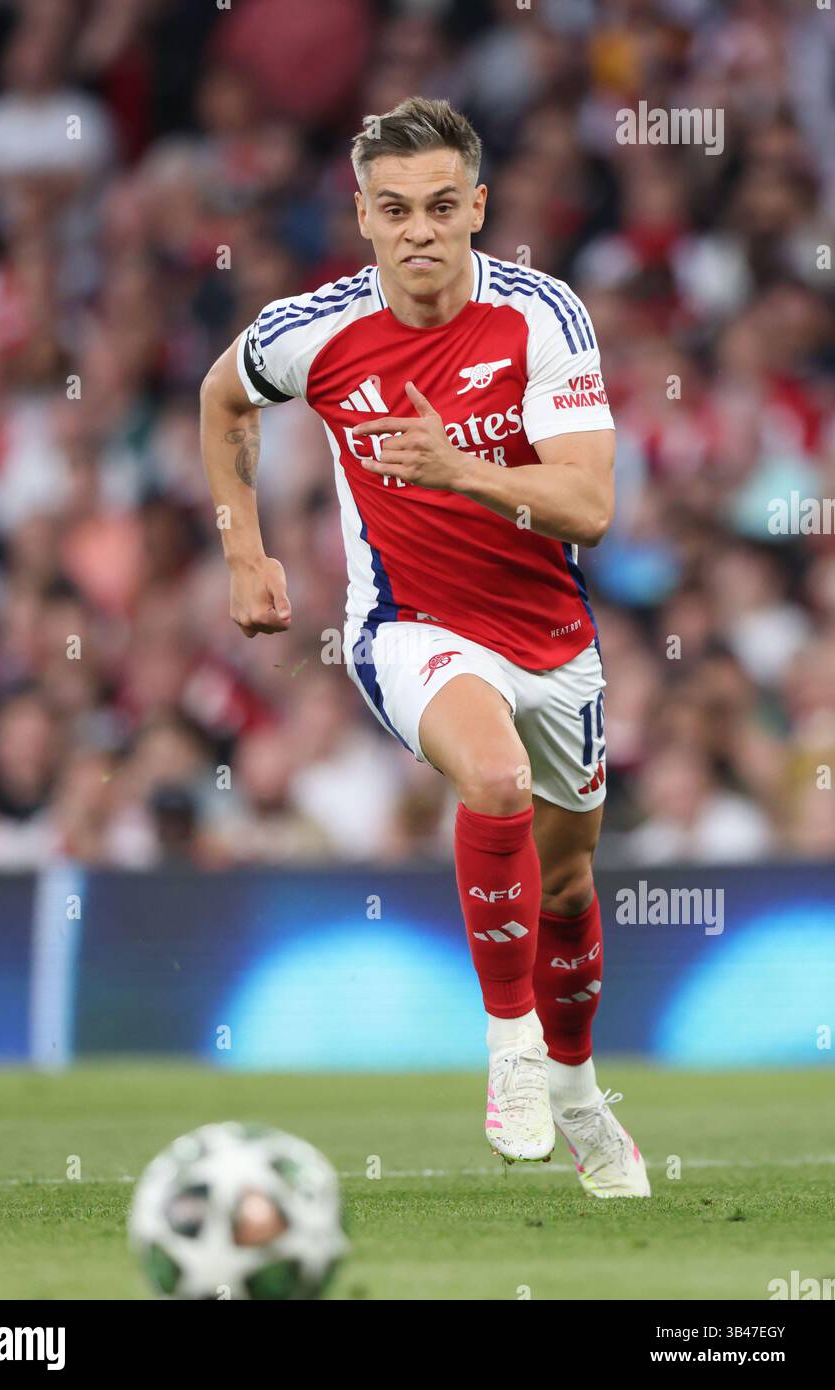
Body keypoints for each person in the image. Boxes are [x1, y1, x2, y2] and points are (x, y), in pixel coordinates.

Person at [200, 96, 648, 1197]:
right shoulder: (312, 332)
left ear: (478, 208)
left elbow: (589, 505)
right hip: (409, 624)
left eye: (443, 206)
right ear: (362, 216)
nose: (419, 230)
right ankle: (511, 1055)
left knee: (571, 886)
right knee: (491, 777)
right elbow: (222, 399)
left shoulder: (544, 317)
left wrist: (464, 471)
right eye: (394, 208)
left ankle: (581, 1093)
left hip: (551, 637)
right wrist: (242, 550)